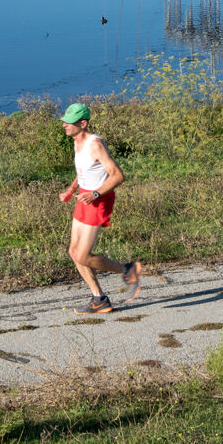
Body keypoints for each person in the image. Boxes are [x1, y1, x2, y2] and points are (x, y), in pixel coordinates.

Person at [57, 102, 141, 314]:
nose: (65, 125)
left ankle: (127, 270)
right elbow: (83, 171)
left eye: (69, 122)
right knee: (74, 252)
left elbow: (118, 176)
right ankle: (99, 299)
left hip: (98, 199)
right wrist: (71, 190)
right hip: (84, 197)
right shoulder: (77, 142)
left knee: (83, 256)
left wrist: (95, 194)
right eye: (64, 121)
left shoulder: (95, 145)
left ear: (83, 124)